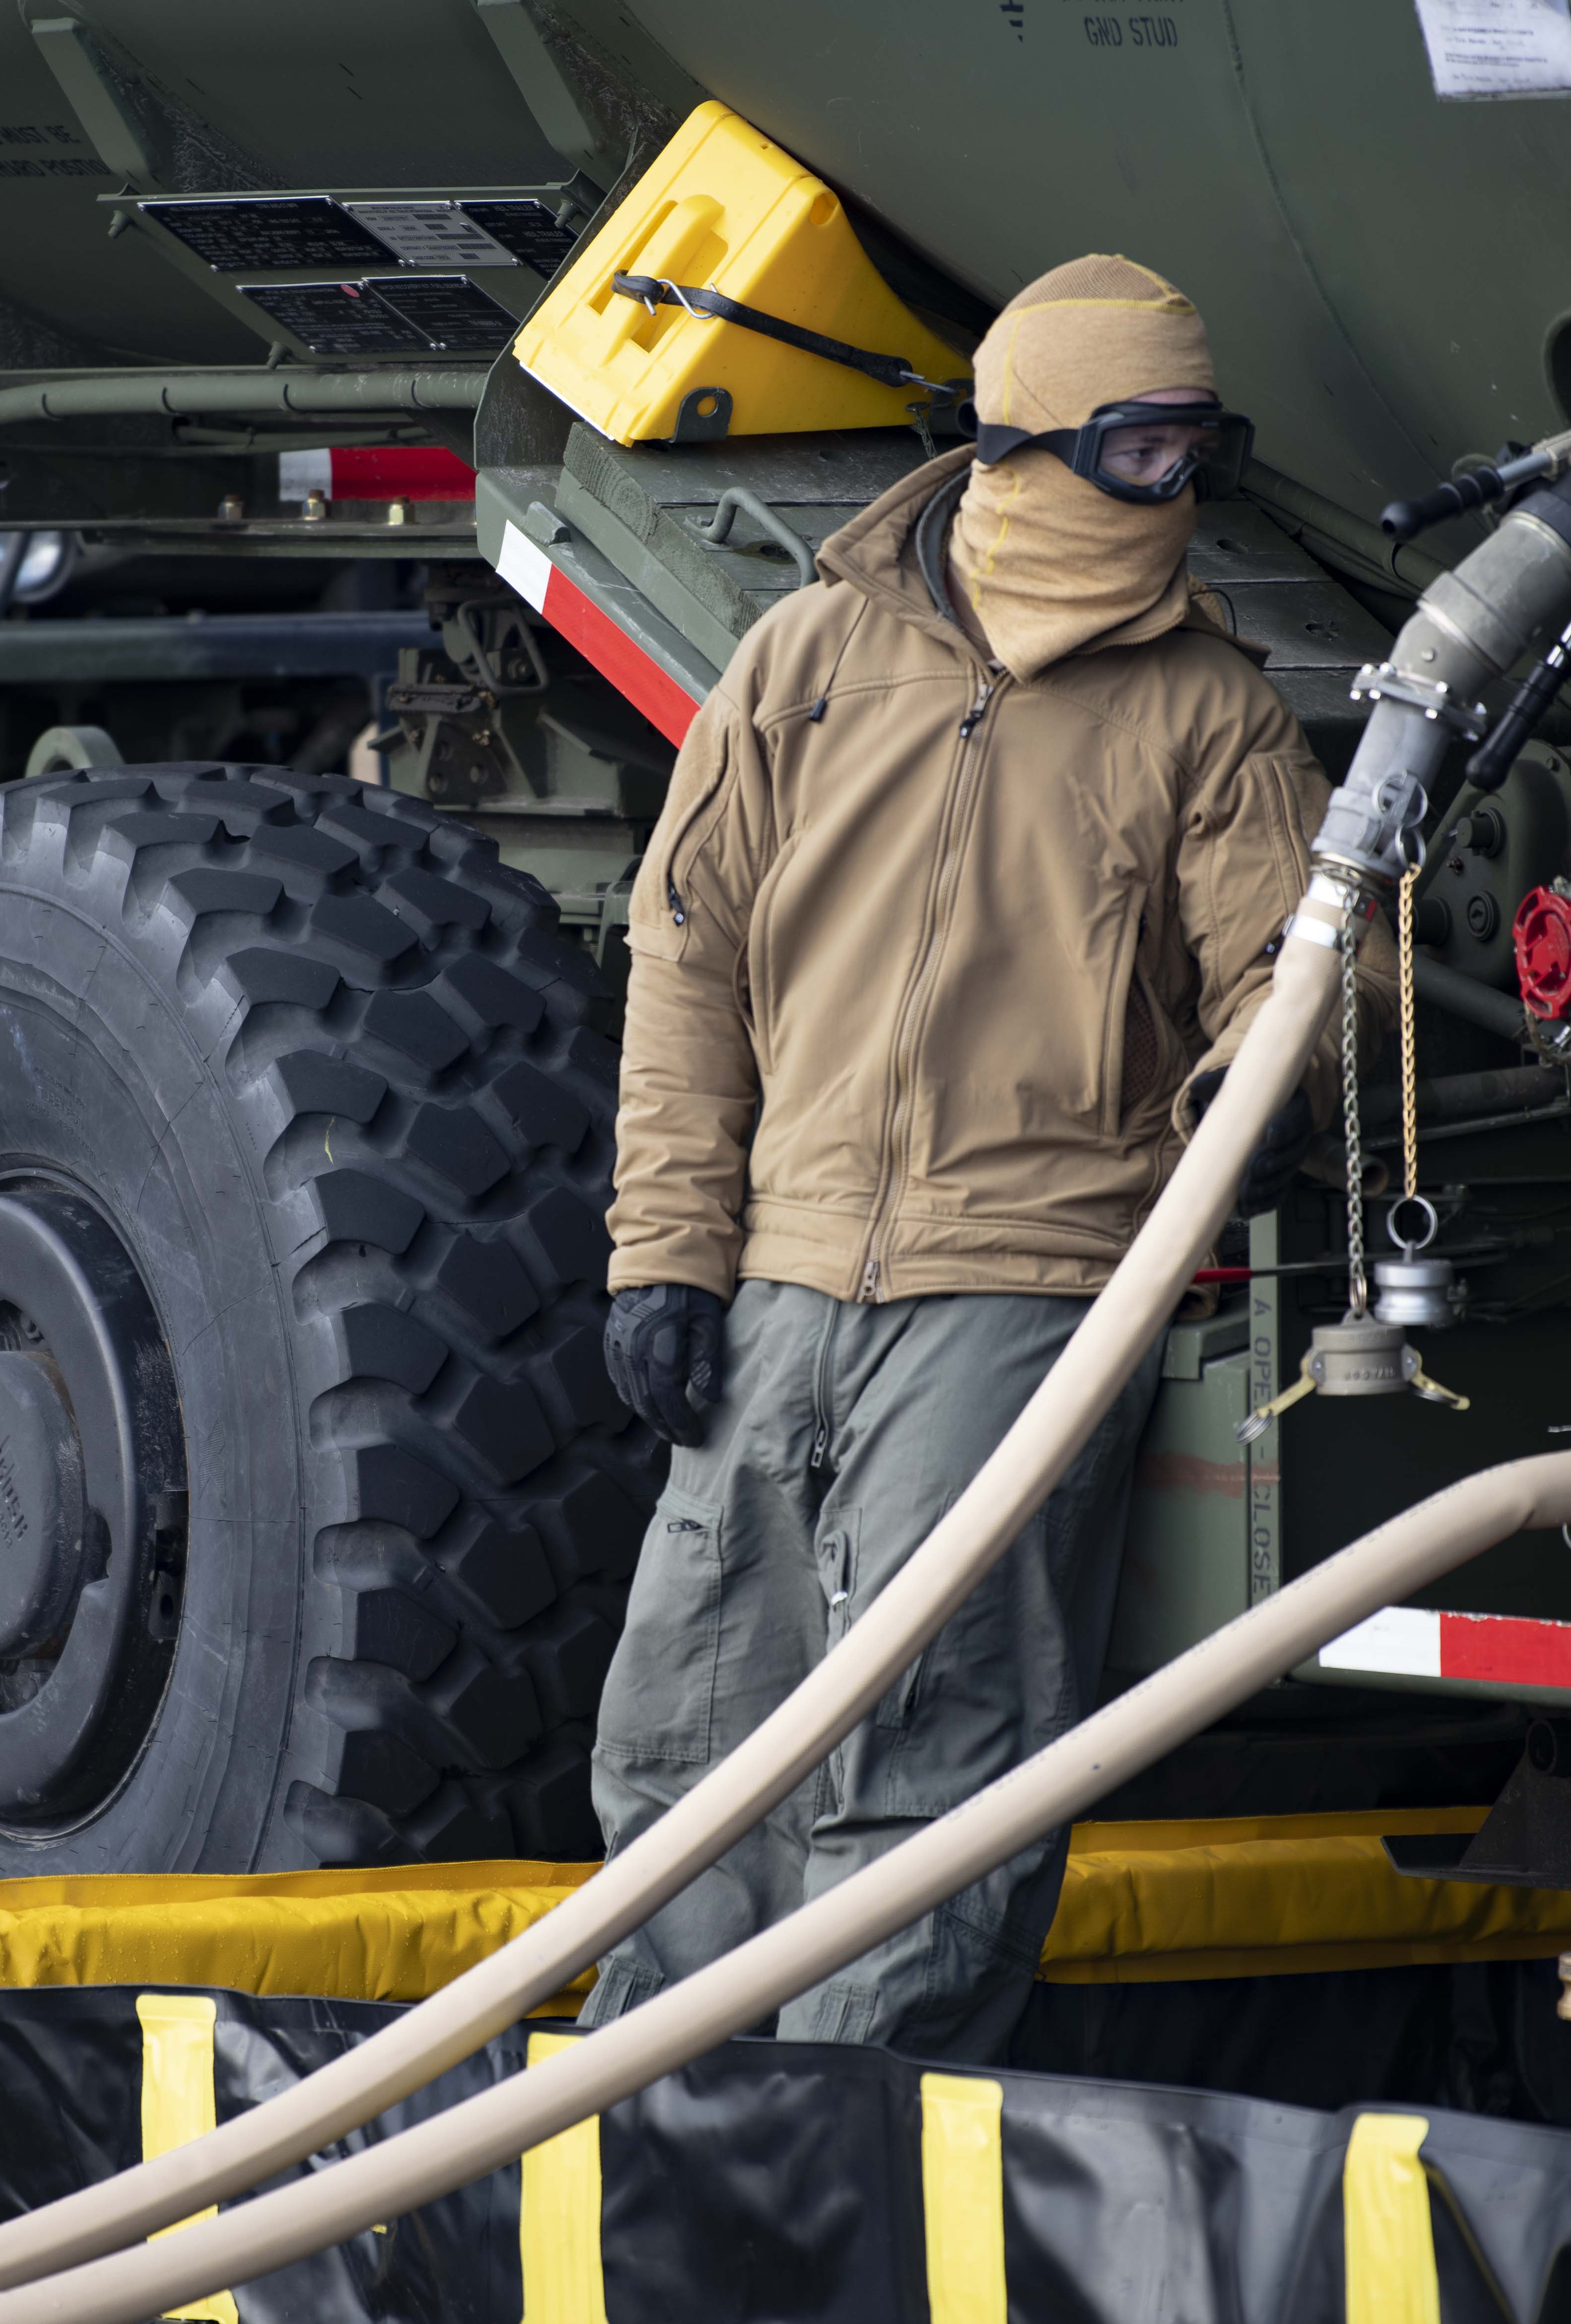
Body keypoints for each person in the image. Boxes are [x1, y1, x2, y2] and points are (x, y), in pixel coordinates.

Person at [581, 253, 1387, 2063]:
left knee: (930, 1775)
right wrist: (664, 1254)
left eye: (1198, 448)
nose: (1169, 487)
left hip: (1020, 1305)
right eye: (1134, 445)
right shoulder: (803, 661)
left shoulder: (1209, 717)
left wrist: (1235, 1113)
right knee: (681, 1731)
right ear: (1016, 446)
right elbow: (688, 953)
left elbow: (1298, 981)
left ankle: (834, 2243)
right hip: (777, 1285)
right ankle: (649, 2208)